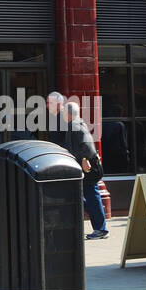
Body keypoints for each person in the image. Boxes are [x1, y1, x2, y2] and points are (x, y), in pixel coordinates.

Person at [55, 98, 108, 240]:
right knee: (83, 196)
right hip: (85, 167)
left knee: (91, 197)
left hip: (88, 168)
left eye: (63, 112)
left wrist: (85, 159)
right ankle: (97, 228)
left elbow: (87, 145)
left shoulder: (76, 126)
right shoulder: (75, 124)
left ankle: (101, 229)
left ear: (68, 113)